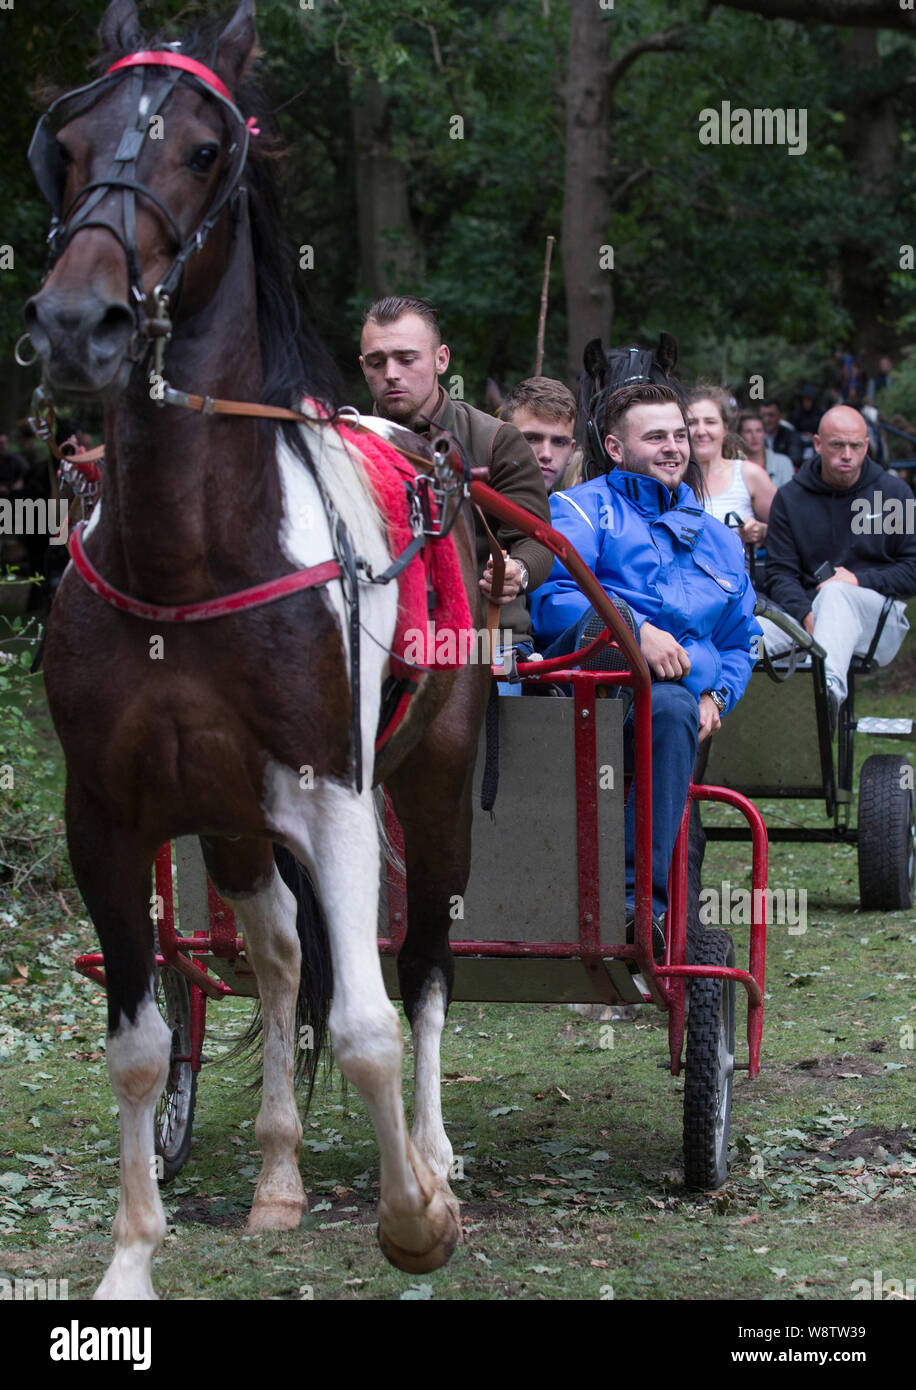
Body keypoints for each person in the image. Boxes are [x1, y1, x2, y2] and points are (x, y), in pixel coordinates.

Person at [530, 383, 760, 948]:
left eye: (680, 435)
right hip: (594, 698)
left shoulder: (717, 539)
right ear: (614, 446)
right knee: (671, 703)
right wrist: (634, 628)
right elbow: (550, 596)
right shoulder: (582, 508)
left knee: (679, 704)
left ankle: (646, 912)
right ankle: (636, 901)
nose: (673, 447)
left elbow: (741, 639)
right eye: (655, 436)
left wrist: (720, 697)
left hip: (678, 712)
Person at [358, 296, 552, 657]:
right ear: (363, 366)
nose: (391, 374)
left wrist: (518, 571)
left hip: (482, 641)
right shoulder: (346, 444)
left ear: (441, 359)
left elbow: (537, 540)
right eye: (377, 362)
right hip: (374, 639)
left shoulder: (495, 440)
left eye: (406, 358)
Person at [762, 404, 916, 729]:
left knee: (836, 592)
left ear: (866, 445)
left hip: (877, 621)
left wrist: (858, 580)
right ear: (817, 444)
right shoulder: (790, 498)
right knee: (749, 636)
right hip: (806, 619)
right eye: (837, 445)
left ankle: (824, 695)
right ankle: (735, 734)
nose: (847, 454)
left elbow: (912, 571)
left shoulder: (894, 493)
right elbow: (780, 573)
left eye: (856, 445)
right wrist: (807, 614)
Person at [687, 388, 775, 546]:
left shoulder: (748, 475)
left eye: (710, 422)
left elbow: (788, 529)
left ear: (725, 428)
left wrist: (761, 530)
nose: (701, 431)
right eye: (692, 423)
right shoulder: (672, 480)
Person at [499, 376, 577, 494]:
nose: (546, 454)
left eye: (559, 442)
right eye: (531, 439)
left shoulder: (576, 511)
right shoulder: (468, 504)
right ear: (501, 441)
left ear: (571, 452)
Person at [737, 411, 794, 488]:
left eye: (758, 430)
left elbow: (790, 496)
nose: (754, 436)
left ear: (764, 433)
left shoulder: (783, 463)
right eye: (748, 431)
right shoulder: (733, 466)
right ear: (740, 435)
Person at [760, 398, 803, 469]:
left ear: (780, 416)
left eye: (771, 415)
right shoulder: (754, 435)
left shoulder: (791, 435)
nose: (766, 420)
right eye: (763, 415)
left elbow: (796, 459)